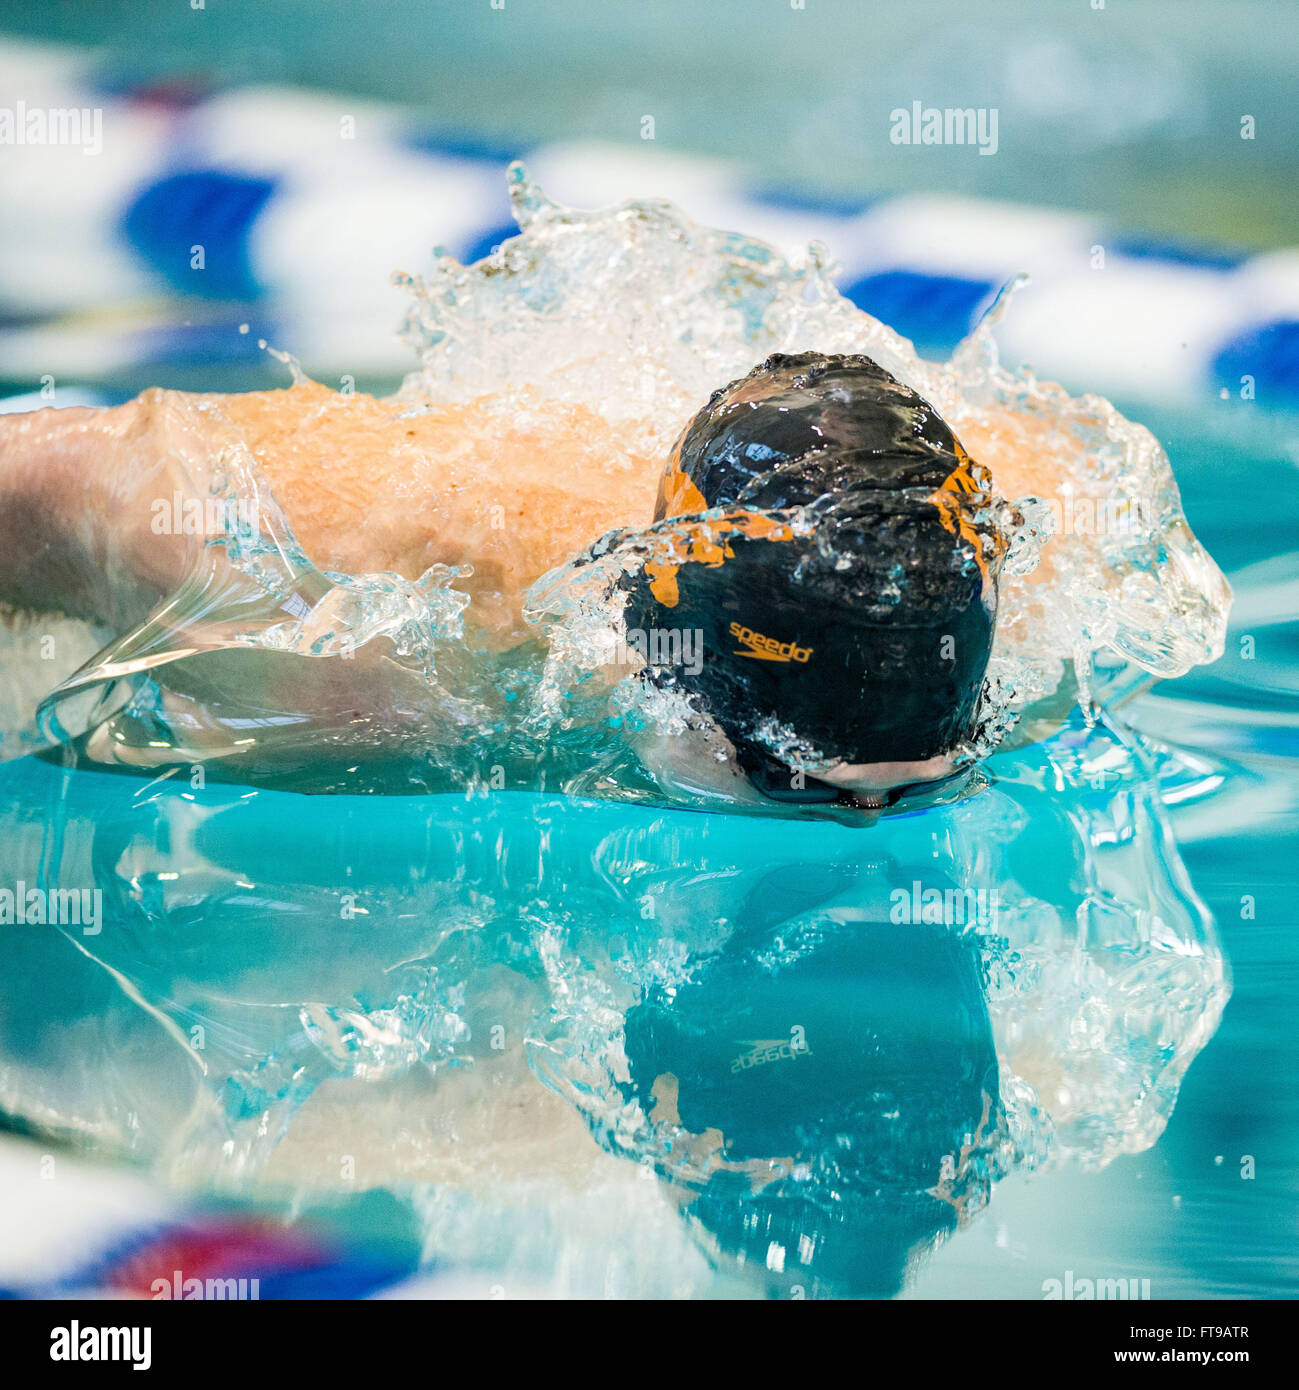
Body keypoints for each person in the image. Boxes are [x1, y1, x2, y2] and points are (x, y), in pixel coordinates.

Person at [0, 353, 1001, 804]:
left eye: (934, 780)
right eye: (793, 783)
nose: (870, 830)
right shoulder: (306, 589)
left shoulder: (950, 562)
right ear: (666, 654)